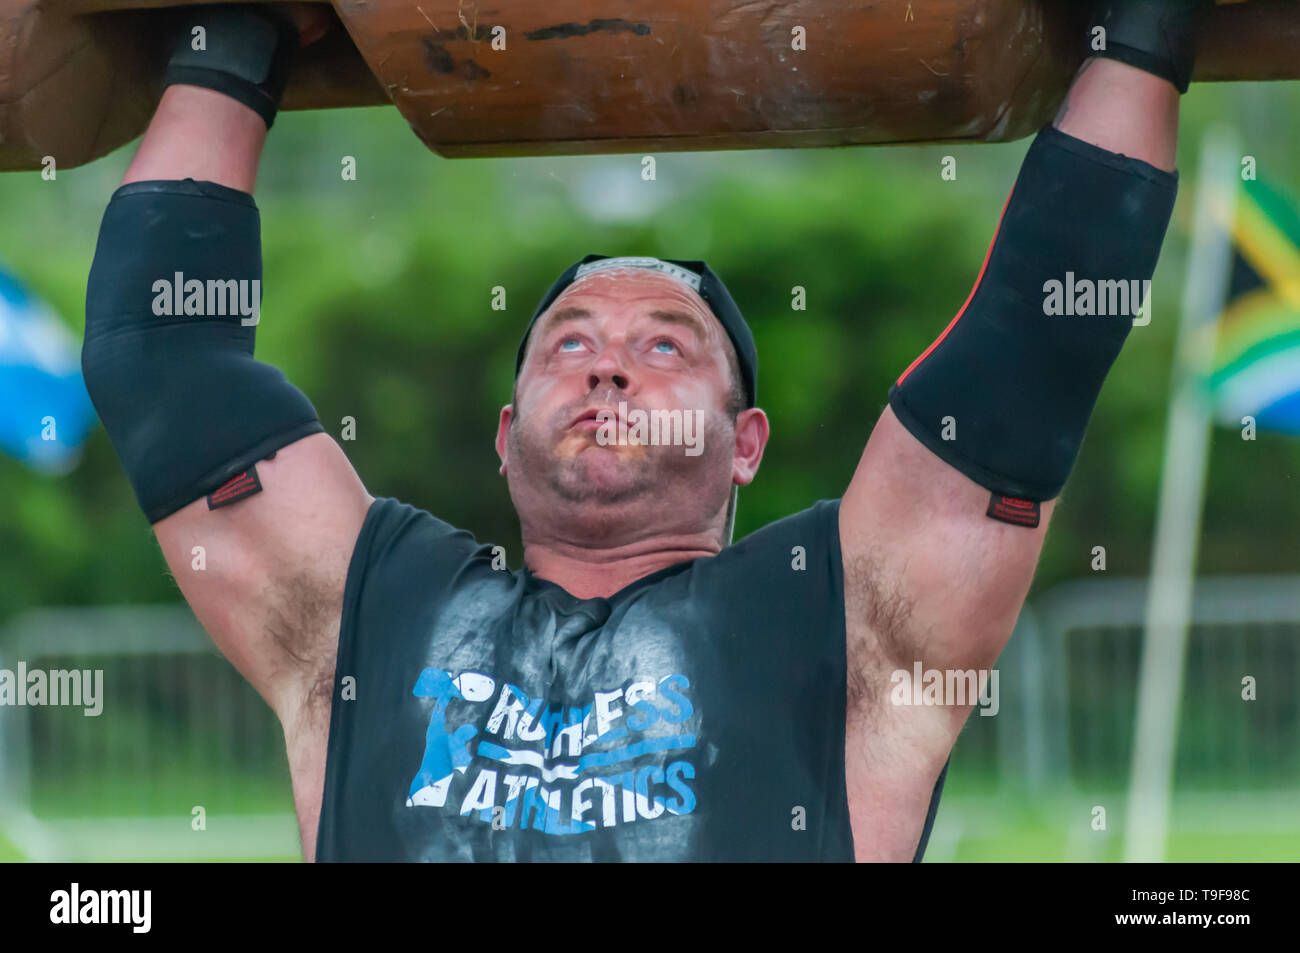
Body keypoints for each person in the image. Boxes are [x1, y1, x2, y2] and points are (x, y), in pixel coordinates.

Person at [80, 0, 1201, 861]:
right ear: (507, 431)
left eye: (667, 344)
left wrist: (1142, 35)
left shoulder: (842, 622)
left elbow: (1028, 361)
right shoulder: (364, 619)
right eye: (568, 341)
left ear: (744, 441)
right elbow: (164, 364)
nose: (609, 358)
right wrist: (232, 41)